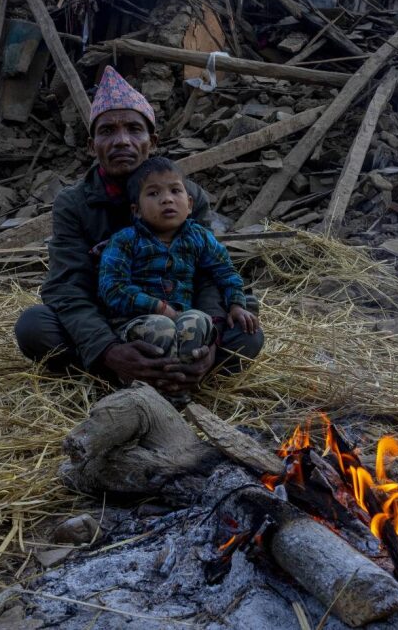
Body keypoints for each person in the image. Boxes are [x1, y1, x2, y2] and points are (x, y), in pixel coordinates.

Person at [14, 66, 264, 399]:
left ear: (152, 142)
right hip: (111, 319)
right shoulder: (74, 203)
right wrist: (108, 350)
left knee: (247, 331)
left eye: (134, 129)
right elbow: (67, 286)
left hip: (183, 318)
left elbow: (210, 274)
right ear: (91, 145)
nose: (122, 141)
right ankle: (124, 368)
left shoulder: (186, 197)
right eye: (107, 131)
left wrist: (210, 342)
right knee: (35, 327)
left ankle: (184, 368)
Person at [98, 157, 260, 393]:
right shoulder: (125, 240)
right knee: (161, 326)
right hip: (135, 321)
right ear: (136, 210)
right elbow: (112, 288)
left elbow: (224, 270)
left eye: (175, 191)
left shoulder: (198, 237)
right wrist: (159, 307)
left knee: (199, 320)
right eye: (153, 194)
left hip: (182, 317)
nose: (167, 199)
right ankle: (146, 393)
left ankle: (181, 389)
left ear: (190, 204)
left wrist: (236, 303)